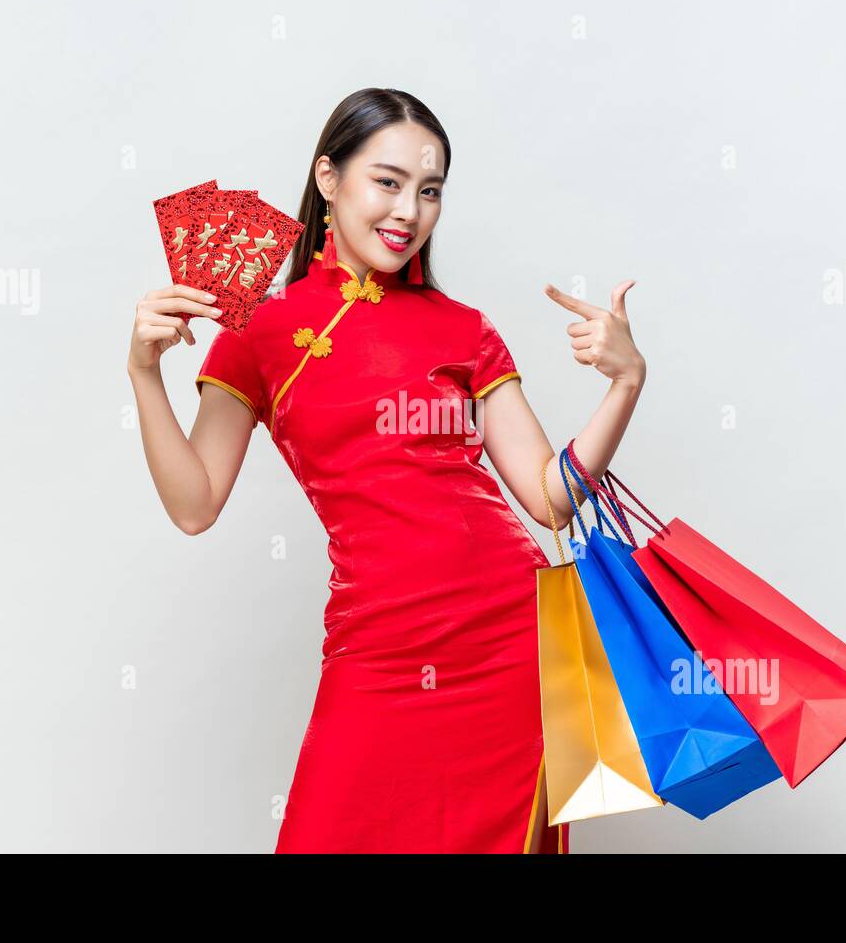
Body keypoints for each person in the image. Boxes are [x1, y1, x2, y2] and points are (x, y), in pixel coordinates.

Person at [126, 88, 646, 853]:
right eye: (388, 181)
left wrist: (625, 383)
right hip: (376, 651)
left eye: (429, 190)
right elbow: (195, 503)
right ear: (329, 179)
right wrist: (143, 373)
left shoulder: (465, 329)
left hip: (510, 642)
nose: (409, 210)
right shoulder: (261, 331)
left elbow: (549, 496)